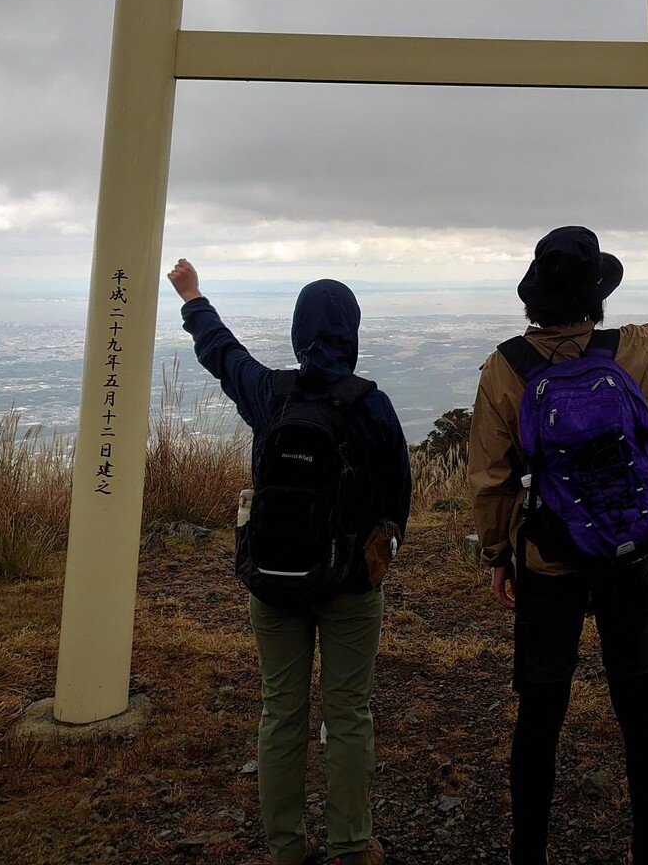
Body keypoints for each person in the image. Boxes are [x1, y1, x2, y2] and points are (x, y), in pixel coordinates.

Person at [468, 225, 648, 865]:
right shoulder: (634, 351)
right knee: (638, 707)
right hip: (632, 554)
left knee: (540, 714)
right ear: (595, 299)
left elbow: (489, 479)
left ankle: (528, 854)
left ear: (532, 300)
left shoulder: (506, 368)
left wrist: (497, 555)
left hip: (549, 558)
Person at [167, 259, 411, 865]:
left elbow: (221, 352)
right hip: (351, 582)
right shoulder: (370, 405)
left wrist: (193, 295)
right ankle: (352, 847)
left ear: (298, 329)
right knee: (349, 711)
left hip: (272, 580)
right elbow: (397, 494)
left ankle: (285, 848)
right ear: (351, 331)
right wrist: (384, 551)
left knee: (281, 710)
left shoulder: (269, 394)